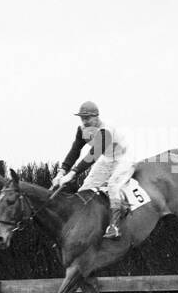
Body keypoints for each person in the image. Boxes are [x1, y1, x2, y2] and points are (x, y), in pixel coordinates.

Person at [51, 100, 134, 239]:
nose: (85, 121)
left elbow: (93, 155)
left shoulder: (106, 130)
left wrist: (73, 173)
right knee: (85, 189)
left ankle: (115, 227)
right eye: (82, 118)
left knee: (113, 185)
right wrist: (61, 172)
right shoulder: (82, 129)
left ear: (97, 117)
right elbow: (75, 151)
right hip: (107, 159)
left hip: (124, 158)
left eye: (88, 118)